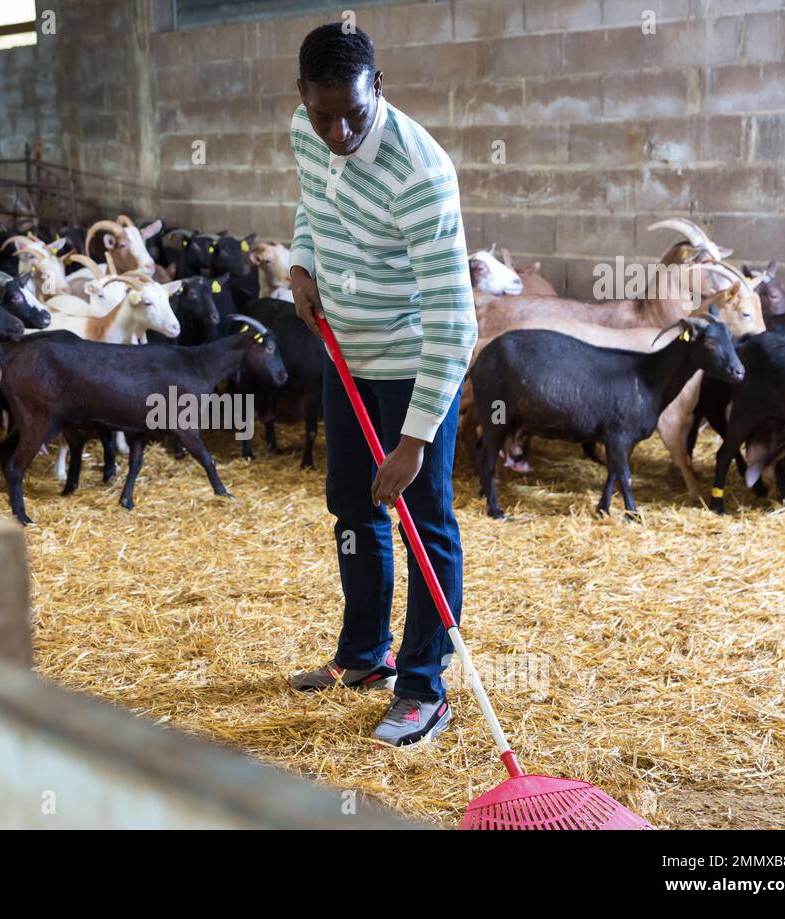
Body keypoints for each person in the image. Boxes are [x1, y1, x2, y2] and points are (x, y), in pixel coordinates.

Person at [286, 23, 478, 746]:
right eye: (321, 113)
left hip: (415, 365)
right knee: (353, 507)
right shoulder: (306, 132)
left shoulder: (421, 173)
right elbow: (313, 204)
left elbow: (457, 322)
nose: (337, 132)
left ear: (380, 88)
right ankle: (366, 655)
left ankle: (424, 686)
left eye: (353, 115)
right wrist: (302, 264)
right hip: (348, 358)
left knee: (424, 523)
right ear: (301, 97)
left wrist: (414, 441)